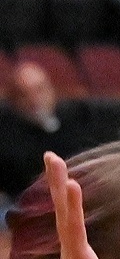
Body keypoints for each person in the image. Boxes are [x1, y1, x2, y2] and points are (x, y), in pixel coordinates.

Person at [0, 63, 89, 199]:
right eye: (24, 95)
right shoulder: (7, 136)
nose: (34, 100)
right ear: (13, 101)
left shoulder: (75, 121)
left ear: (52, 90)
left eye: (39, 90)